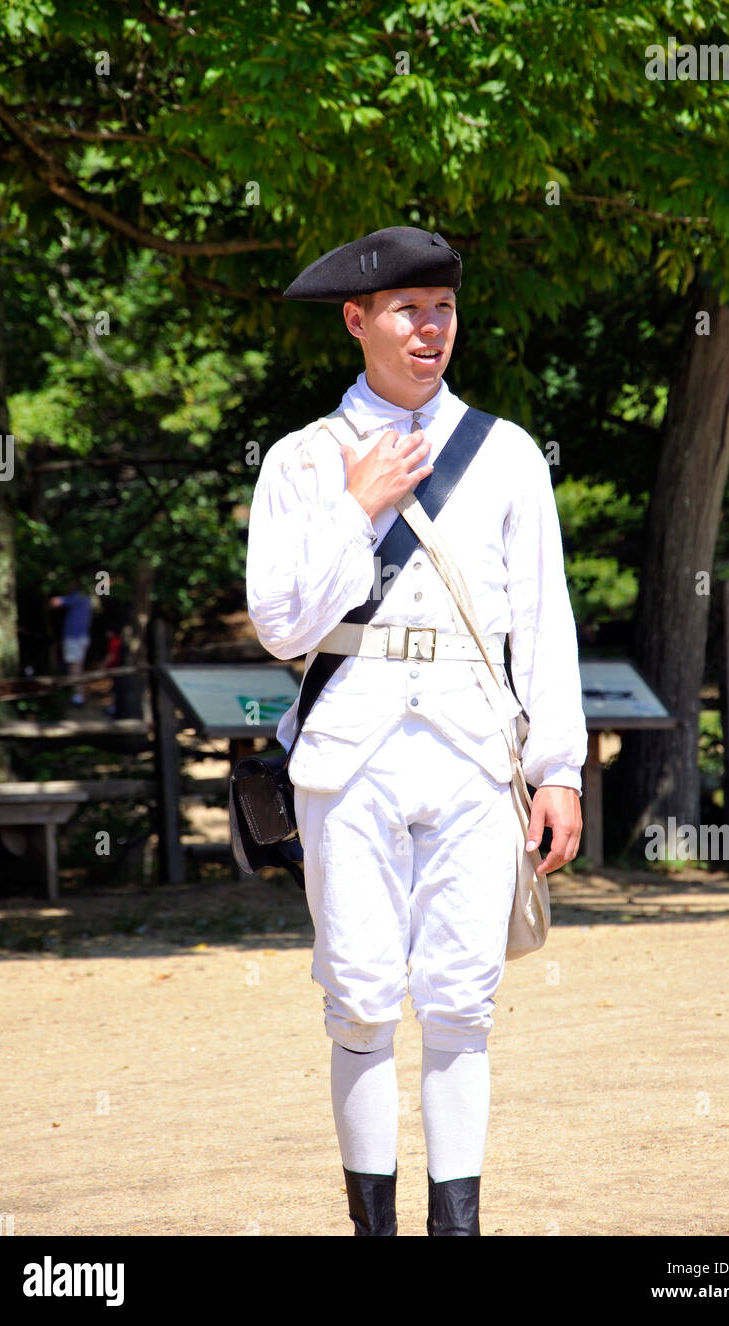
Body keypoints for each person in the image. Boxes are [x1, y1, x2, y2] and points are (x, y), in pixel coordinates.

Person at [246, 226, 588, 1236]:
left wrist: (556, 767)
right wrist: (353, 512)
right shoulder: (303, 461)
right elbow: (278, 628)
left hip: (474, 752)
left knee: (459, 1000)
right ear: (357, 322)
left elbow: (544, 620)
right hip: (346, 756)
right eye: (406, 309)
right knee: (356, 998)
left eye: (441, 306)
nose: (429, 327)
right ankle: (373, 1228)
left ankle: (456, 1226)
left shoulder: (507, 454)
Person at [50, 583, 93, 706]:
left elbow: (55, 602)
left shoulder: (78, 596)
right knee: (78, 667)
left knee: (75, 668)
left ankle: (79, 697)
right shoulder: (86, 597)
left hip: (75, 638)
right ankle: (80, 695)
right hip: (81, 637)